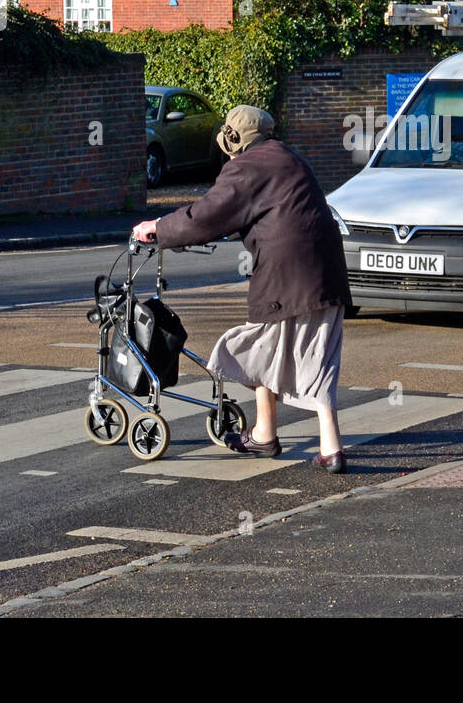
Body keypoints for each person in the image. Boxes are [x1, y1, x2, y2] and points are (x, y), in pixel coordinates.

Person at [131, 105, 352, 473]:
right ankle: (330, 448)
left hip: (284, 274)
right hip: (327, 271)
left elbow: (208, 213)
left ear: (234, 139)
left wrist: (159, 228)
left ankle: (266, 434)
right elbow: (270, 212)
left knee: (248, 350)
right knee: (319, 358)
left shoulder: (247, 166)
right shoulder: (290, 158)